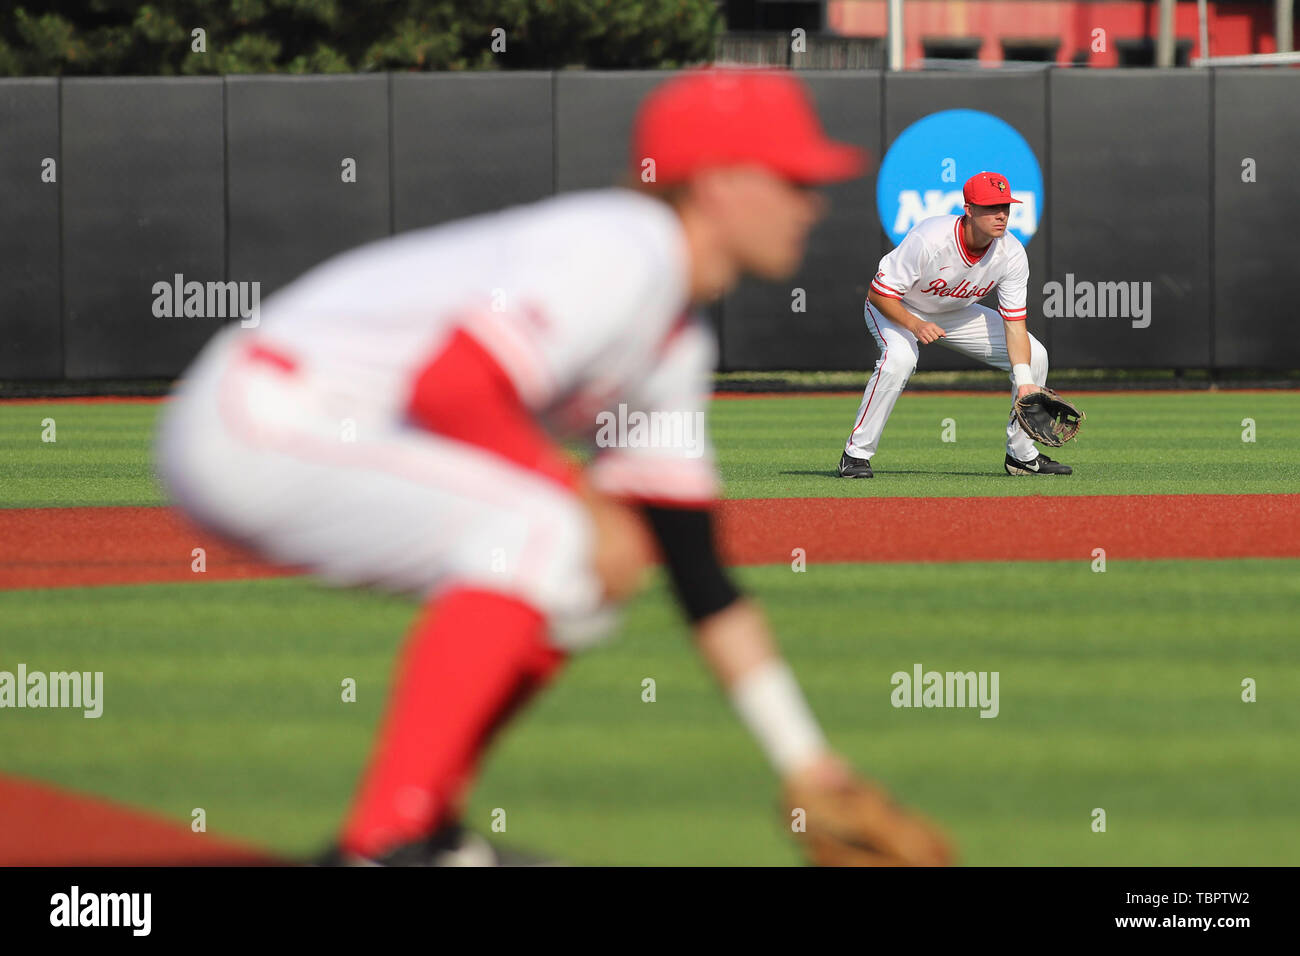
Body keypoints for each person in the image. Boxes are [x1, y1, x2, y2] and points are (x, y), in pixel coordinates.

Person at [156, 67, 952, 866]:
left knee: (591, 573)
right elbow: (455, 387)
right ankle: (385, 843)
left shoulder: (676, 337)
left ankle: (422, 823)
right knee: (552, 529)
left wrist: (804, 760)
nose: (812, 202)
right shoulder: (622, 249)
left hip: (320, 423)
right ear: (716, 184)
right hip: (261, 412)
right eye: (792, 179)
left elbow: (698, 574)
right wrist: (579, 499)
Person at [838, 171, 1073, 478]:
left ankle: (1021, 456)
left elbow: (1015, 324)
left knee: (1035, 356)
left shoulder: (1011, 253)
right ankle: (855, 455)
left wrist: (1025, 380)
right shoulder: (931, 238)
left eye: (1005, 206)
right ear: (969, 209)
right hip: (898, 306)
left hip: (954, 311)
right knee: (900, 359)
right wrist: (915, 324)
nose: (1001, 214)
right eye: (991, 207)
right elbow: (879, 294)